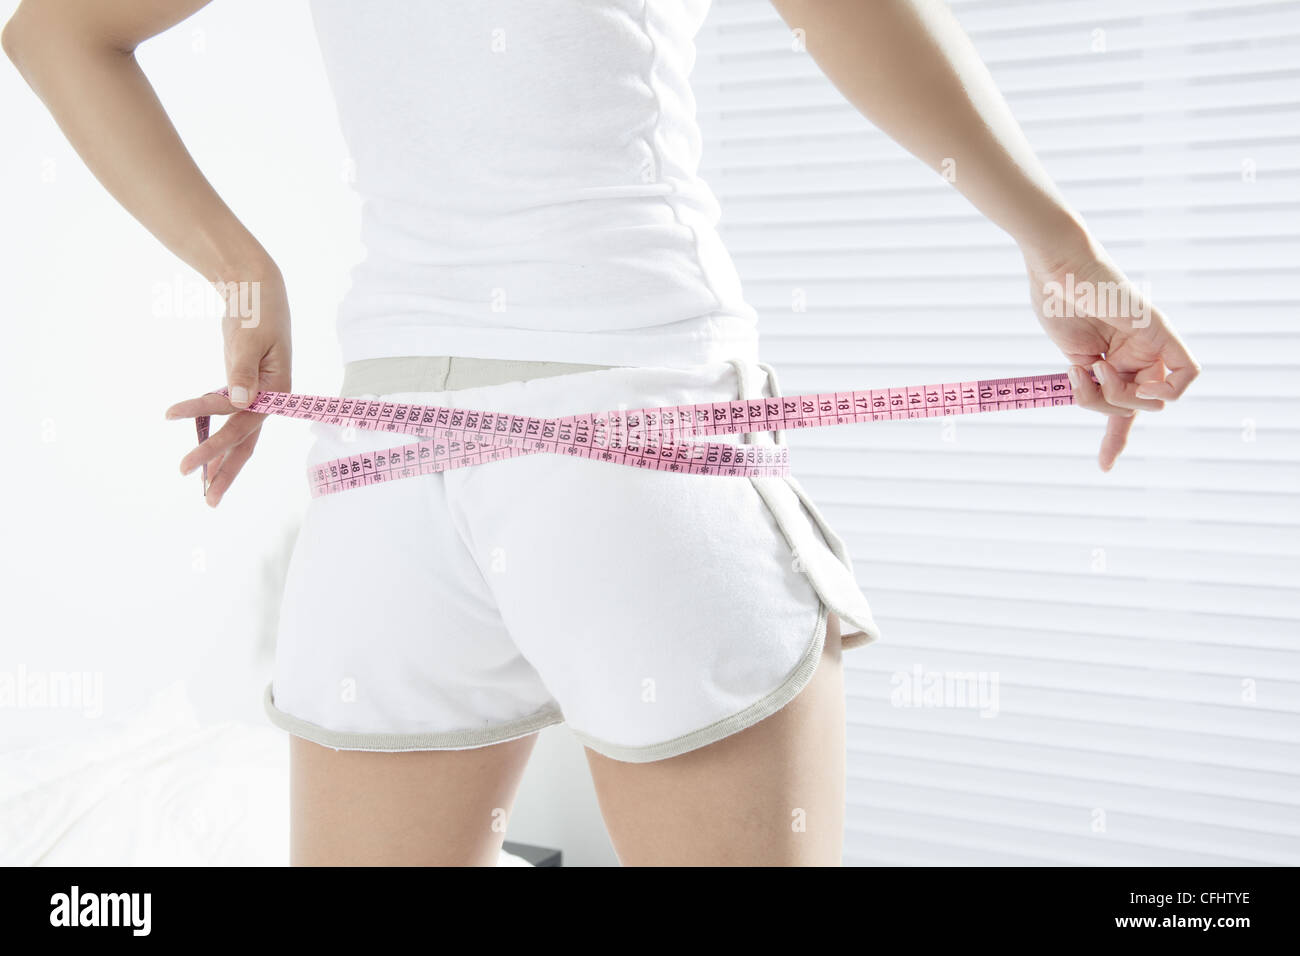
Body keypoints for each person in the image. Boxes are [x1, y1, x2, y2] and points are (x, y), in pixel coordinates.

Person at [4, 0, 1198, 866]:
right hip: (639, 438)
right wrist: (1065, 251)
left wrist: (238, 273)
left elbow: (52, 31)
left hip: (384, 483)